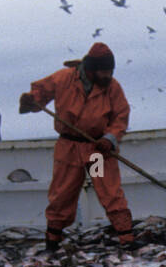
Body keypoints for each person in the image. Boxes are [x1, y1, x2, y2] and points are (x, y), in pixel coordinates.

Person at [19, 41, 134, 248]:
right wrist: (30, 99)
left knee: (109, 190)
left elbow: (121, 116)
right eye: (104, 71)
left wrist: (110, 139)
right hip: (70, 148)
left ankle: (127, 238)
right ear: (90, 70)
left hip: (97, 150)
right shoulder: (63, 78)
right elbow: (40, 93)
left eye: (110, 71)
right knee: (62, 193)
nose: (108, 76)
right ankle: (53, 240)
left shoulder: (113, 87)